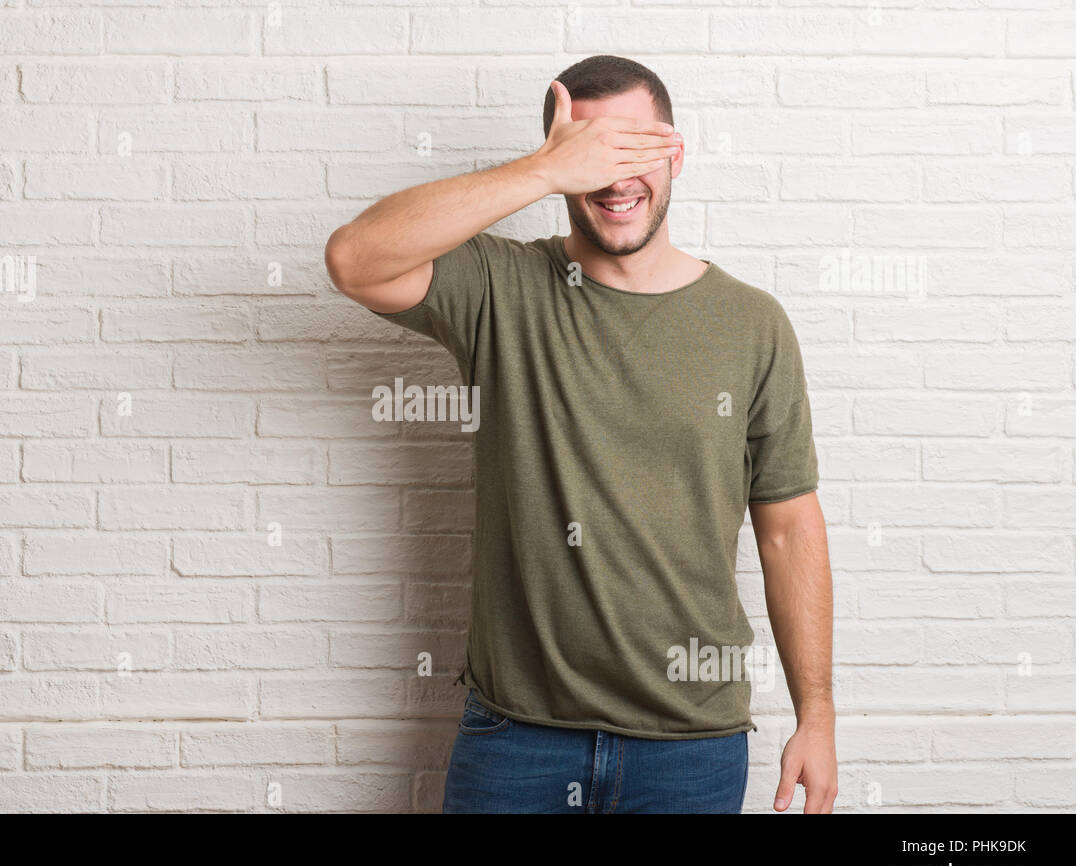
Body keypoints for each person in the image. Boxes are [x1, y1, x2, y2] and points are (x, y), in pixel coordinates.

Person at [325, 54, 837, 814]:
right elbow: (354, 260)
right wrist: (539, 170)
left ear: (677, 155)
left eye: (635, 150)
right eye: (593, 156)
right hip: (514, 738)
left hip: (690, 745)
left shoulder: (752, 323)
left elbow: (789, 528)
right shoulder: (502, 288)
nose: (616, 177)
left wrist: (816, 715)